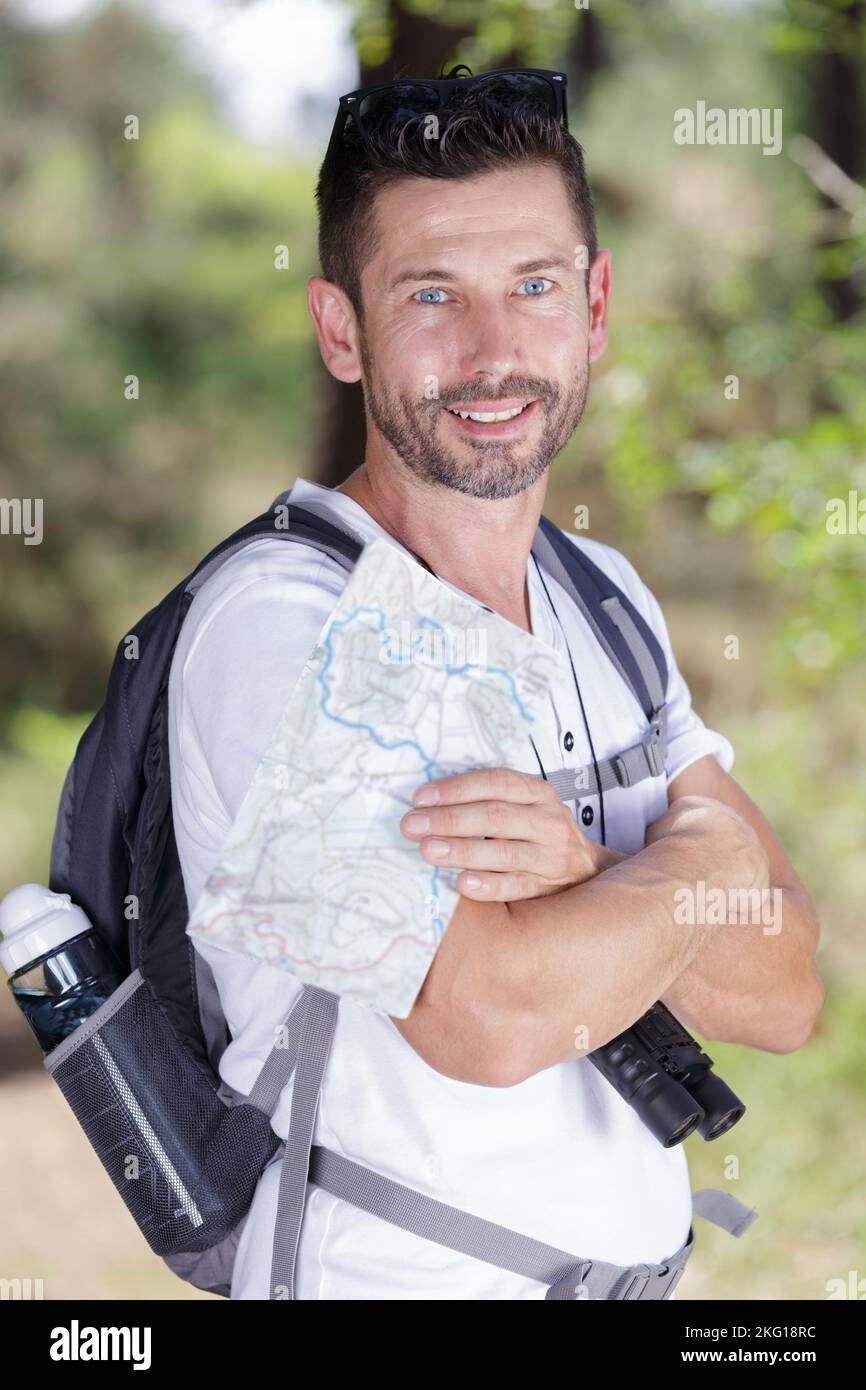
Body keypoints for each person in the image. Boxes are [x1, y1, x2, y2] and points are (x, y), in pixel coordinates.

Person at [167, 68, 824, 1299]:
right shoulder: (285, 623)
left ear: (593, 305)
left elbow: (784, 989)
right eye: (430, 294)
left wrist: (587, 874)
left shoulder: (606, 597)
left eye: (531, 285)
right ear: (340, 330)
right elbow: (495, 1018)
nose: (491, 352)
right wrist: (697, 863)